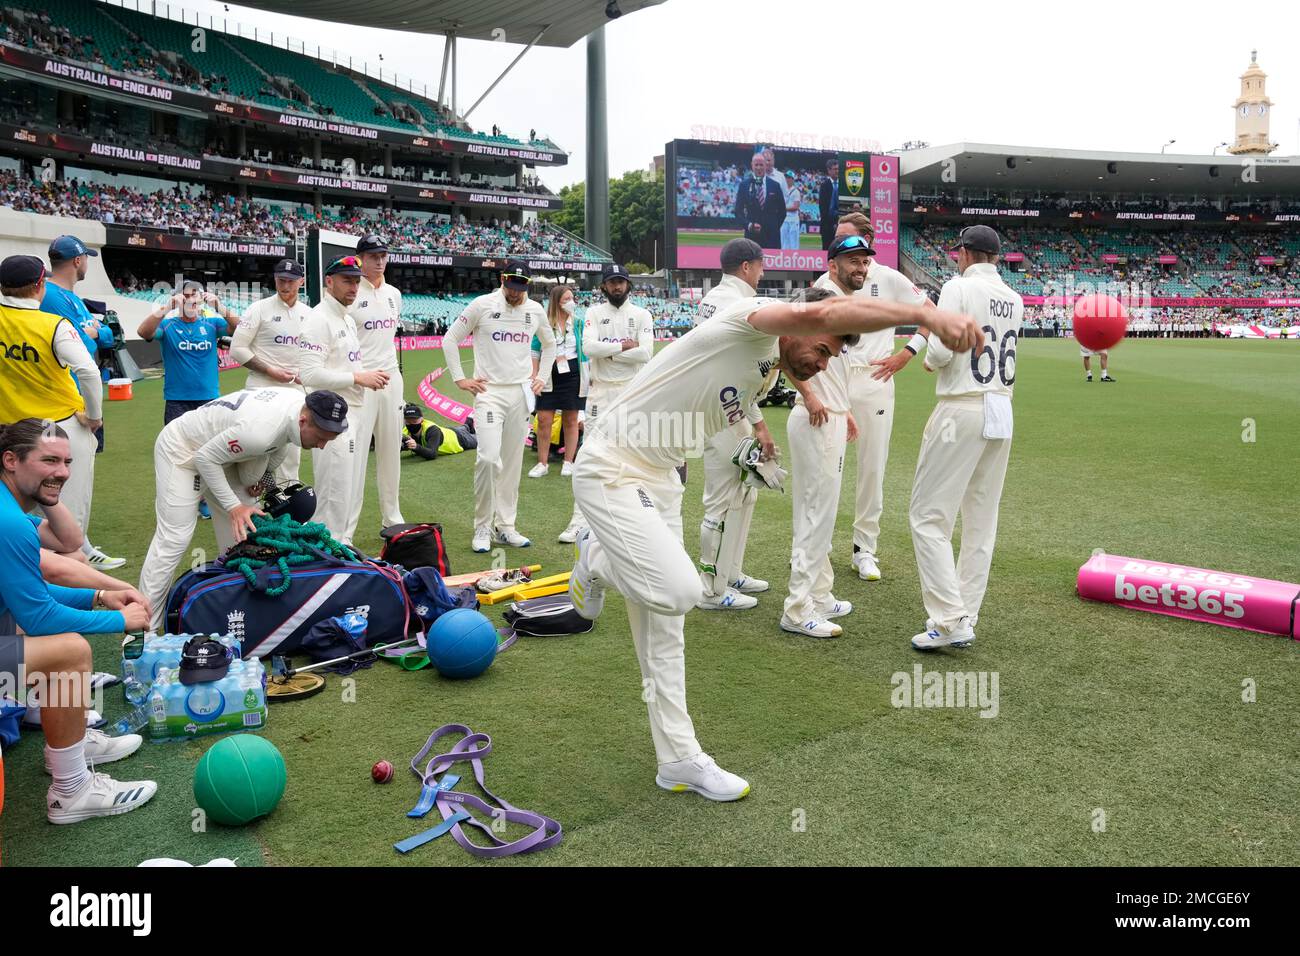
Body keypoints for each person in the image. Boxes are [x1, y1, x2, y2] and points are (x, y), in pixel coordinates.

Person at [567, 284, 980, 801]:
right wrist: (924, 315)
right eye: (823, 349)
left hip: (661, 478)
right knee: (677, 592)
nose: (824, 363)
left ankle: (677, 758)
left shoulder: (769, 366)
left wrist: (759, 433)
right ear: (799, 326)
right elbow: (825, 311)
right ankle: (595, 557)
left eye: (831, 356)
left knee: (666, 634)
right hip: (612, 467)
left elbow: (729, 397)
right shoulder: (748, 321)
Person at [0, 419, 156, 824]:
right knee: (69, 650)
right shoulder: (8, 521)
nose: (64, 472)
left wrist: (100, 596)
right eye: (49, 460)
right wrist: (119, 619)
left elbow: (38, 588)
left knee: (49, 641)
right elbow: (39, 616)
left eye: (67, 462)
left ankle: (65, 748)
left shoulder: (9, 508)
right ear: (10, 460)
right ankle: (71, 793)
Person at [137, 388, 348, 630]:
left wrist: (264, 482)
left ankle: (239, 616)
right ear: (303, 420)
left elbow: (273, 447)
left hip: (223, 454)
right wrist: (234, 506)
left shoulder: (298, 408)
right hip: (184, 450)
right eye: (321, 437)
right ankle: (142, 630)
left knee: (244, 542)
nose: (321, 446)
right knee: (174, 537)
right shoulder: (260, 432)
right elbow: (205, 458)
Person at [909, 224, 1023, 650]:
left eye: (958, 251)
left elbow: (941, 348)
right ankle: (964, 613)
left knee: (928, 517)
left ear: (966, 254)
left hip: (962, 404)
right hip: (1001, 406)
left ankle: (949, 619)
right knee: (981, 519)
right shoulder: (1015, 298)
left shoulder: (957, 286)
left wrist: (931, 361)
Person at [827, 213, 935, 583]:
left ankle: (864, 550)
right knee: (827, 467)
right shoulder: (828, 280)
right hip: (834, 381)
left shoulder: (888, 278)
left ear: (867, 241)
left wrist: (907, 353)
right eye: (837, 239)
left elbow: (930, 314)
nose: (840, 245)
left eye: (848, 238)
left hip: (874, 379)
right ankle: (819, 547)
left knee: (872, 469)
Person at [781, 237, 869, 638]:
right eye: (854, 261)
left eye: (865, 262)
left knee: (820, 514)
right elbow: (786, 351)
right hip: (815, 419)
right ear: (833, 265)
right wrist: (812, 395)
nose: (862, 268)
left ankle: (819, 591)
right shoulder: (822, 299)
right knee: (816, 516)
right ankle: (798, 608)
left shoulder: (840, 303)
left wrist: (843, 407)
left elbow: (834, 369)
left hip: (830, 417)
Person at [442, 261, 555, 553]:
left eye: (521, 288)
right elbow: (450, 339)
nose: (515, 293)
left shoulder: (535, 310)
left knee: (512, 462)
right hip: (489, 391)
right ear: (503, 279)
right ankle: (482, 526)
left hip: (520, 392)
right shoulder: (482, 305)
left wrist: (541, 377)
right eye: (511, 285)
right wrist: (460, 379)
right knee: (489, 459)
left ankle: (506, 526)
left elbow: (550, 344)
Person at [0, 254, 103, 549]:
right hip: (58, 428)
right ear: (39, 285)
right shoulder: (54, 325)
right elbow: (88, 371)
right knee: (66, 517)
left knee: (13, 511)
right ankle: (68, 582)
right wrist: (94, 416)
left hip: (9, 429)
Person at [693, 238, 774, 610]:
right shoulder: (740, 304)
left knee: (745, 493)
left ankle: (731, 572)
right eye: (760, 266)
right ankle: (711, 588)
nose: (762, 272)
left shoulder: (713, 299)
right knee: (723, 497)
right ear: (746, 267)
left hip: (732, 405)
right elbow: (739, 369)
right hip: (723, 407)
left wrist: (756, 421)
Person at [40, 235, 124, 572]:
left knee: (76, 478)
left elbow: (103, 335)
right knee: (65, 480)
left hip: (73, 398)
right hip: (65, 402)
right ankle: (71, 553)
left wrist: (94, 331)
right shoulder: (55, 297)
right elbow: (87, 344)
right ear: (77, 261)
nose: (88, 262)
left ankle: (80, 544)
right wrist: (92, 332)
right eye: (86, 258)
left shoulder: (67, 297)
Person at [298, 256, 388, 545]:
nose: (353, 287)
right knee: (334, 491)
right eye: (346, 280)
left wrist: (362, 377)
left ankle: (340, 545)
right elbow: (309, 373)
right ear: (329, 281)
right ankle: (329, 553)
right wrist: (358, 378)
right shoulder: (318, 318)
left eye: (356, 281)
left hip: (352, 412)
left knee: (347, 489)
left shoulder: (347, 318)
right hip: (329, 417)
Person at [226, 258, 309, 484]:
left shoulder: (310, 314)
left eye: (291, 281)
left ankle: (287, 501)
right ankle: (250, 503)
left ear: (301, 281)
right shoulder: (258, 309)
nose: (286, 286)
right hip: (261, 388)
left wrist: (309, 373)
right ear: (275, 279)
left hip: (295, 391)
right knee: (255, 448)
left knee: (291, 453)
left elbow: (317, 352)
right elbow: (237, 349)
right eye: (281, 280)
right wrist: (271, 370)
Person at [347, 235, 405, 537]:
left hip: (391, 378)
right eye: (373, 256)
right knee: (355, 455)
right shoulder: (350, 293)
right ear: (360, 258)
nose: (380, 261)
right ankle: (347, 527)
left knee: (390, 450)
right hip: (361, 382)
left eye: (383, 255)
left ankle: (392, 517)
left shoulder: (395, 293)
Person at [530, 284, 588, 544]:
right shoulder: (545, 321)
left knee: (571, 419)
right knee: (543, 418)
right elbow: (534, 349)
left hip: (574, 372)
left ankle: (569, 462)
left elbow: (585, 348)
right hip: (548, 371)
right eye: (566, 299)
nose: (571, 302)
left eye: (572, 298)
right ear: (556, 301)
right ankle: (542, 463)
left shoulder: (579, 322)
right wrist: (535, 374)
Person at [733, 151, 785, 249]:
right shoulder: (744, 185)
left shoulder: (775, 185)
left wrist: (774, 227)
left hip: (772, 238)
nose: (759, 168)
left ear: (766, 165)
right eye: (756, 165)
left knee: (772, 264)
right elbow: (738, 211)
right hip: (751, 238)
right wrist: (749, 225)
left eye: (761, 165)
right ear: (752, 165)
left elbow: (782, 211)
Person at [819, 158, 840, 250]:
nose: (837, 171)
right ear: (829, 170)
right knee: (827, 251)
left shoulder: (843, 185)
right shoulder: (824, 186)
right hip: (827, 226)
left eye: (838, 169)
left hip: (841, 225)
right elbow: (823, 207)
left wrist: (838, 222)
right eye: (834, 169)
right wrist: (832, 223)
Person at [780, 169, 802, 250]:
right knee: (783, 242)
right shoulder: (782, 191)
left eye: (789, 178)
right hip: (784, 219)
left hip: (793, 220)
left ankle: (794, 260)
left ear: (793, 179)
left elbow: (796, 207)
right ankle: (784, 260)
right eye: (786, 177)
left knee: (794, 243)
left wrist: (782, 208)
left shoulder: (796, 192)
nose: (787, 179)